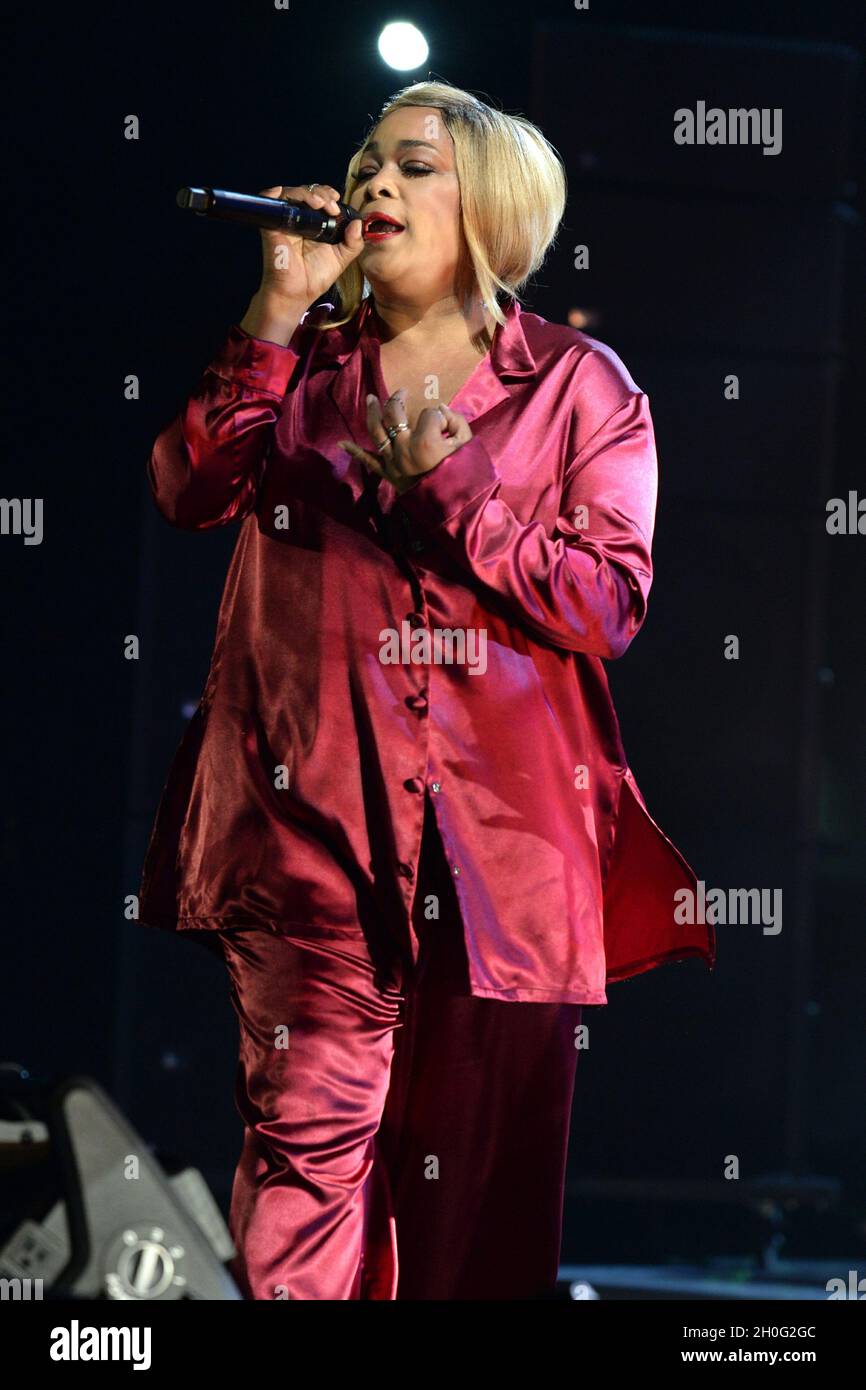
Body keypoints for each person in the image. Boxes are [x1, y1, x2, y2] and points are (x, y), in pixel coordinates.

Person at [138, 80, 715, 1300]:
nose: (371, 188)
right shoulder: (295, 367)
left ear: (489, 207)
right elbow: (188, 489)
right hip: (305, 834)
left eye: (411, 166)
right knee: (306, 1142)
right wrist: (276, 308)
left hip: (501, 856)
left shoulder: (578, 386)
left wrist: (458, 487)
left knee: (471, 1212)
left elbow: (607, 605)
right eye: (361, 169)